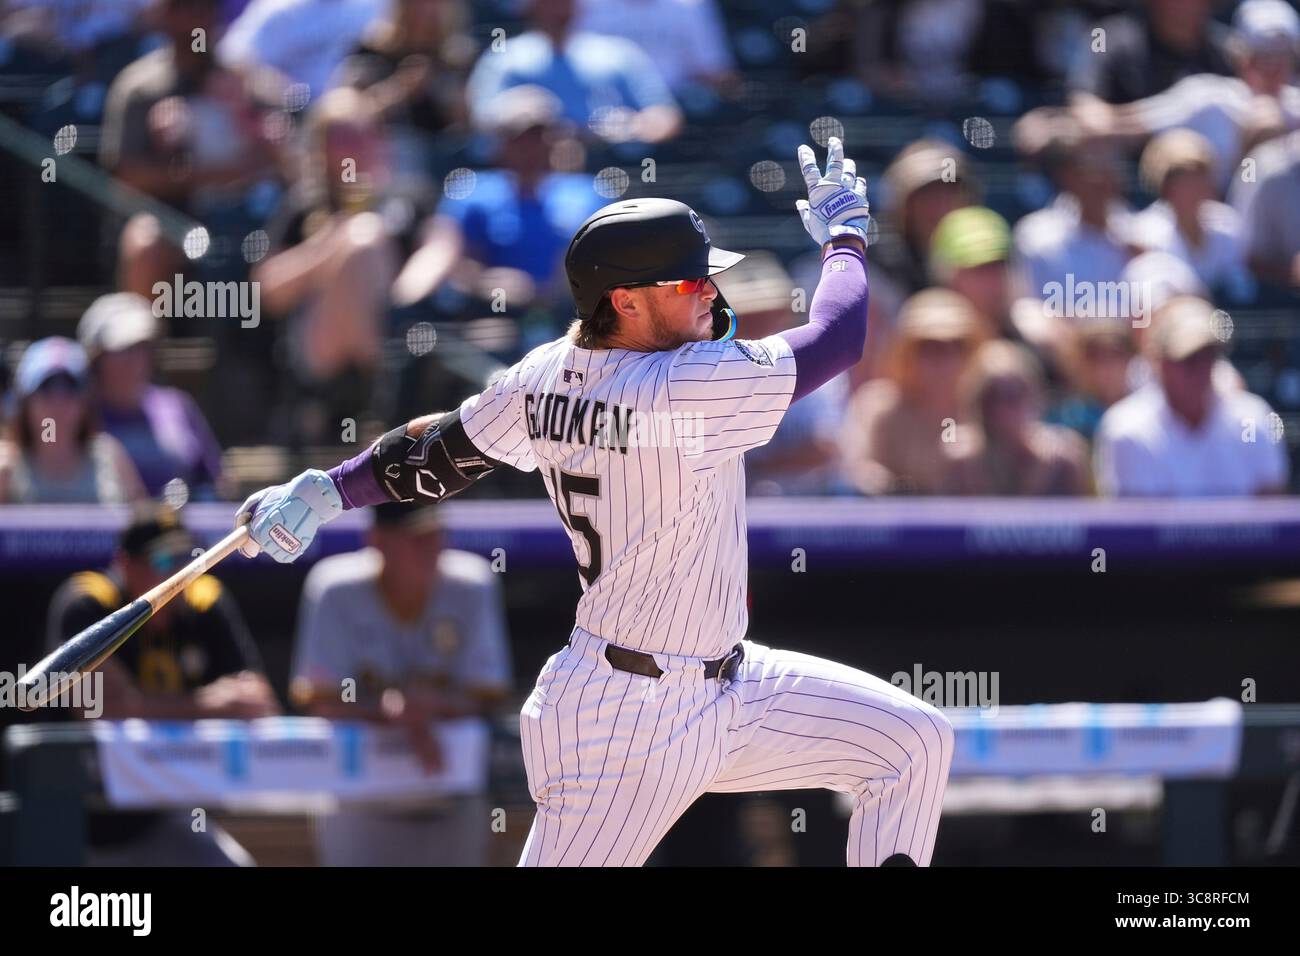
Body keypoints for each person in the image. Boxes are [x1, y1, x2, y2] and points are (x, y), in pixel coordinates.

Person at [233, 138, 953, 867]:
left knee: (913, 742)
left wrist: (331, 488)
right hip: (625, 719)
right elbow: (837, 337)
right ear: (625, 301)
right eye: (688, 285)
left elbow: (440, 452)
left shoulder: (544, 372)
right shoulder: (684, 385)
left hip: (731, 686)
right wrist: (846, 238)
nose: (709, 291)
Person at [45, 506, 278, 865]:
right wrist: (209, 703)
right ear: (126, 564)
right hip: (74, 816)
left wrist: (149, 705)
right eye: (164, 559)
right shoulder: (90, 602)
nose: (179, 574)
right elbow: (107, 707)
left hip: (156, 814)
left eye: (186, 558)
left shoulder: (204, 600)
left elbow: (258, 702)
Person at [291, 500, 512, 866]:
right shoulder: (334, 588)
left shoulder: (471, 584)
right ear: (378, 539)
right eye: (416, 537)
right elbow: (320, 701)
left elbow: (490, 694)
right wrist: (392, 710)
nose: (431, 547)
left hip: (451, 800)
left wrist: (428, 707)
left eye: (436, 534)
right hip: (361, 804)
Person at [392, 85, 605, 340]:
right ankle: (393, 326)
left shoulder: (587, 195)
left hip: (570, 320)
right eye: (517, 137)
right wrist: (485, 282)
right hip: (488, 318)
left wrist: (540, 293)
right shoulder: (470, 192)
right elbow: (444, 254)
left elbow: (599, 267)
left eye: (538, 135)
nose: (529, 147)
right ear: (499, 143)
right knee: (487, 336)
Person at [1094, 296, 1290, 497]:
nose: (1201, 369)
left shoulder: (1255, 420)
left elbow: (1271, 516)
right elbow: (1135, 524)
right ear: (1160, 363)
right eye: (1188, 359)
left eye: (1209, 356)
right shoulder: (1125, 431)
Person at [464, 0, 682, 146]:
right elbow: (479, 118)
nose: (558, 6)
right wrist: (515, 112)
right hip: (535, 180)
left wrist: (631, 126)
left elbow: (666, 116)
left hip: (613, 171)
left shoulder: (619, 53)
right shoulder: (503, 58)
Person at [78, 293, 224, 499]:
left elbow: (215, 481)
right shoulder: (74, 415)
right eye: (125, 349)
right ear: (96, 357)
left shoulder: (177, 404)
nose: (137, 360)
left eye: (143, 347)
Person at [840, 289, 980, 496]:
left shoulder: (988, 403)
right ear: (906, 353)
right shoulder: (877, 406)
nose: (943, 359)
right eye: (929, 347)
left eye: (956, 346)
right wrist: (898, 489)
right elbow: (855, 468)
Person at [0, 337, 145, 504]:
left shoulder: (111, 457)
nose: (59, 402)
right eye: (47, 388)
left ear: (86, 401)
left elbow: (141, 521)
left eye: (70, 387)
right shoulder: (6, 468)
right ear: (25, 402)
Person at [942, 340, 1090, 496]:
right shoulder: (960, 461)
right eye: (993, 396)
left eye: (1015, 394)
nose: (1004, 408)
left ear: (1035, 395)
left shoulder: (1064, 458)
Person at [1129, 129, 1248, 294]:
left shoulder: (1228, 224)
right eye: (1184, 179)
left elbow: (1241, 286)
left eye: (1201, 176)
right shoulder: (1145, 232)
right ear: (1166, 186)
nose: (1196, 187)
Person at [1067, 0, 1233, 105]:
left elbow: (1252, 112)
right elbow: (1085, 107)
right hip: (1128, 155)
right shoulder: (1105, 37)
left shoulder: (1228, 50)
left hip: (1212, 156)